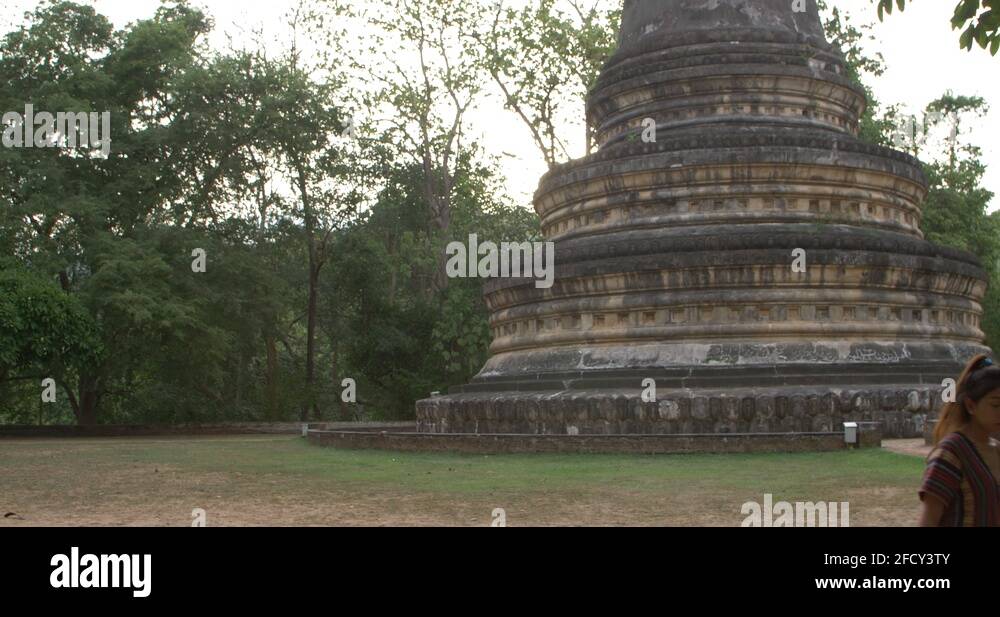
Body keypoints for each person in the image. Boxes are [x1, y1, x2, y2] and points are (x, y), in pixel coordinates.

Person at [919, 354, 1000, 526]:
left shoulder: (997, 449)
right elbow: (929, 521)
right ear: (971, 405)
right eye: (996, 405)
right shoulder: (951, 453)